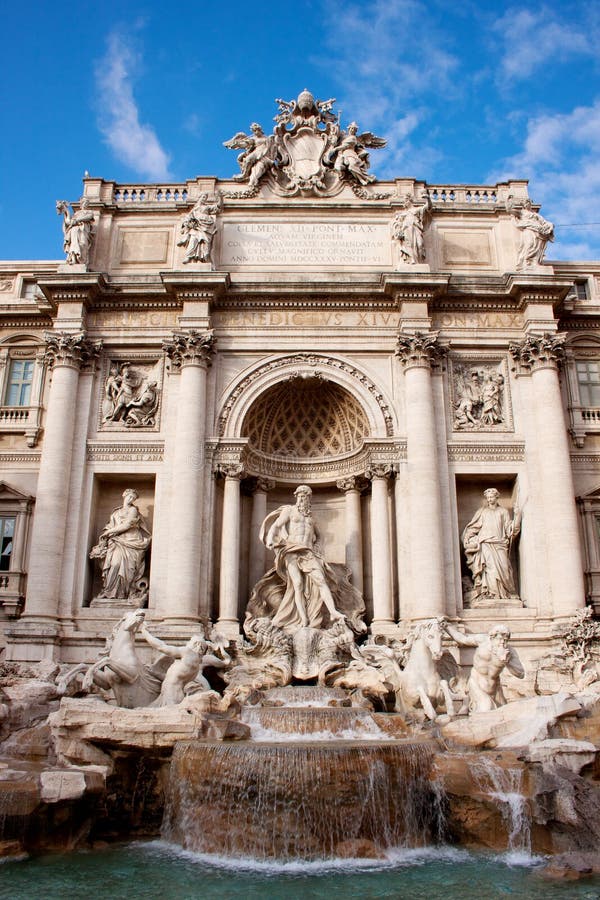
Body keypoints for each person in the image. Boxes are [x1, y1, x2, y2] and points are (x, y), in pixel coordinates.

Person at [261, 485, 346, 631]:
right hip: (291, 550)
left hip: (308, 552)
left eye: (305, 496)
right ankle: (303, 618)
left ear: (309, 498)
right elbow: (276, 526)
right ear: (296, 497)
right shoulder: (289, 511)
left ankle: (333, 612)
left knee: (321, 580)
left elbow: (319, 536)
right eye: (300, 496)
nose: (302, 499)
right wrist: (270, 539)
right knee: (298, 584)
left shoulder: (311, 518)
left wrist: (317, 547)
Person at [443, 622, 524, 712]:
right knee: (486, 708)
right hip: (476, 684)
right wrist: (446, 627)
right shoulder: (482, 640)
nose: (502, 642)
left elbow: (521, 674)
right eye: (500, 639)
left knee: (502, 713)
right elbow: (462, 639)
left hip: (495, 689)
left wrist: (507, 662)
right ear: (492, 637)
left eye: (505, 640)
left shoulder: (510, 652)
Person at [140, 626, 230, 706]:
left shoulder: (187, 652)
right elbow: (174, 677)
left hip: (171, 694)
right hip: (173, 693)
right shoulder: (196, 664)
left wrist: (145, 633)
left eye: (190, 641)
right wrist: (155, 674)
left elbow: (161, 647)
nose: (188, 643)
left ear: (197, 644)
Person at [90, 489, 151, 600]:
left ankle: (124, 594)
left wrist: (109, 532)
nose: (131, 499)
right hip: (116, 542)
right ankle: (109, 591)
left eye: (133, 498)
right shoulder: (116, 512)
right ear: (124, 495)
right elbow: (110, 525)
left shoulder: (133, 510)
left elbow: (127, 525)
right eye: (129, 496)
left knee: (129, 569)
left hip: (131, 541)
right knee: (115, 564)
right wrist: (106, 534)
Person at [462, 488, 521, 603]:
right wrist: (468, 537)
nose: (489, 499)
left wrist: (517, 516)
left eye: (491, 497)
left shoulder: (503, 511)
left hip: (500, 544)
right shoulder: (482, 512)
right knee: (489, 570)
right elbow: (473, 527)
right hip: (485, 544)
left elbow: (510, 530)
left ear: (496, 497)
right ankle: (490, 594)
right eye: (488, 498)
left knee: (504, 569)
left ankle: (506, 593)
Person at [506, 196, 554, 270]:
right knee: (530, 243)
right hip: (528, 229)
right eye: (525, 203)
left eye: (528, 203)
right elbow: (509, 210)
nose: (527, 204)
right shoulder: (521, 212)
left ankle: (534, 262)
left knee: (537, 246)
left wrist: (550, 225)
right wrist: (509, 201)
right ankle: (527, 261)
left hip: (538, 230)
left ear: (530, 204)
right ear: (523, 205)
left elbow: (544, 222)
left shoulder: (535, 214)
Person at [177, 193, 221, 264]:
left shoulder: (207, 207)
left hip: (206, 226)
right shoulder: (194, 209)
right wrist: (188, 224)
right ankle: (188, 257)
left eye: (205, 198)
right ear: (199, 198)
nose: (204, 199)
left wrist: (220, 197)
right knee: (193, 241)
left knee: (206, 242)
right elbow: (188, 217)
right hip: (197, 226)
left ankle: (205, 257)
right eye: (203, 197)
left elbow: (218, 207)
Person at [391, 194, 431, 264]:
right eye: (404, 201)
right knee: (409, 245)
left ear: (410, 201)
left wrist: (428, 199)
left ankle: (419, 261)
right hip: (406, 229)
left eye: (406, 200)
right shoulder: (403, 214)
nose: (405, 202)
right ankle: (412, 259)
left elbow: (428, 207)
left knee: (420, 244)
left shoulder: (417, 210)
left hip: (416, 229)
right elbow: (397, 224)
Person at [56, 198, 95, 266]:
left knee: (83, 244)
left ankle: (81, 260)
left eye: (87, 203)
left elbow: (89, 217)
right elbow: (69, 221)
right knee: (74, 243)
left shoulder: (89, 212)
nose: (85, 204)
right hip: (75, 229)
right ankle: (74, 259)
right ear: (81, 204)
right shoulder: (77, 213)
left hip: (84, 230)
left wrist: (78, 220)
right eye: (84, 203)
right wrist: (66, 211)